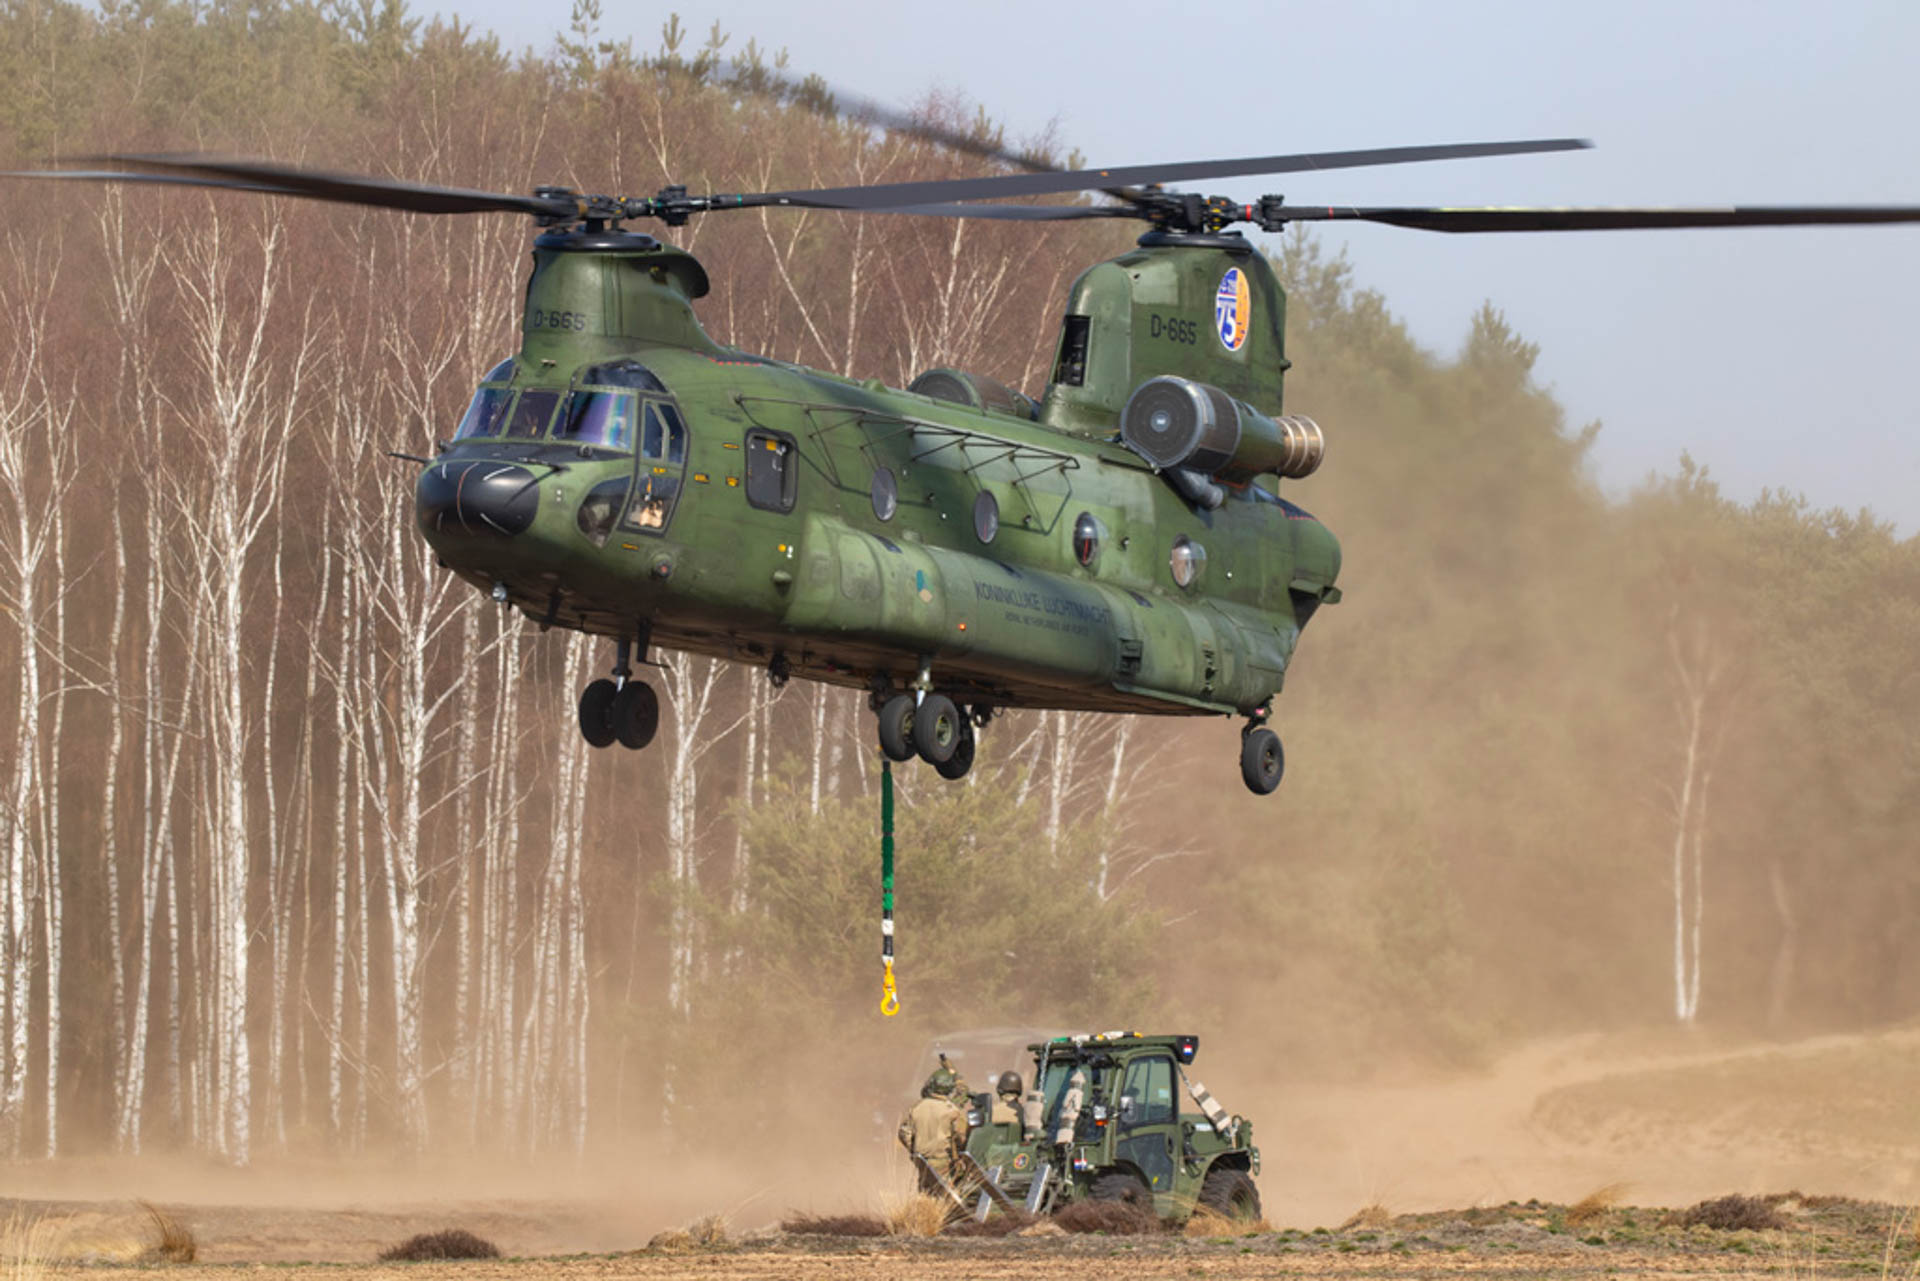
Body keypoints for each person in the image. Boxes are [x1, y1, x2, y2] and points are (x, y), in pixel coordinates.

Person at [898, 1068, 969, 1190]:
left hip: (923, 1163)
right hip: (945, 1164)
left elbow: (904, 1133)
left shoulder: (917, 1107)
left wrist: (915, 1150)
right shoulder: (953, 1111)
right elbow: (962, 1138)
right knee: (947, 1197)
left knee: (926, 1195)